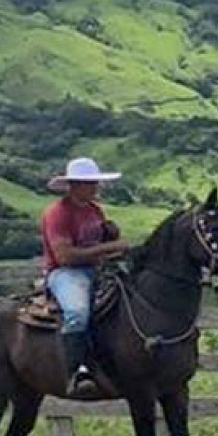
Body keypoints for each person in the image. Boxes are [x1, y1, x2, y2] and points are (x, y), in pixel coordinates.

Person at [41, 157, 132, 396]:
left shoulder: (94, 210)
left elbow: (99, 242)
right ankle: (77, 371)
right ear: (75, 185)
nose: (95, 187)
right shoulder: (57, 213)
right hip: (65, 273)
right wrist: (107, 249)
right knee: (77, 313)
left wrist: (110, 238)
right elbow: (64, 256)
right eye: (90, 183)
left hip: (96, 269)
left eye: (95, 183)